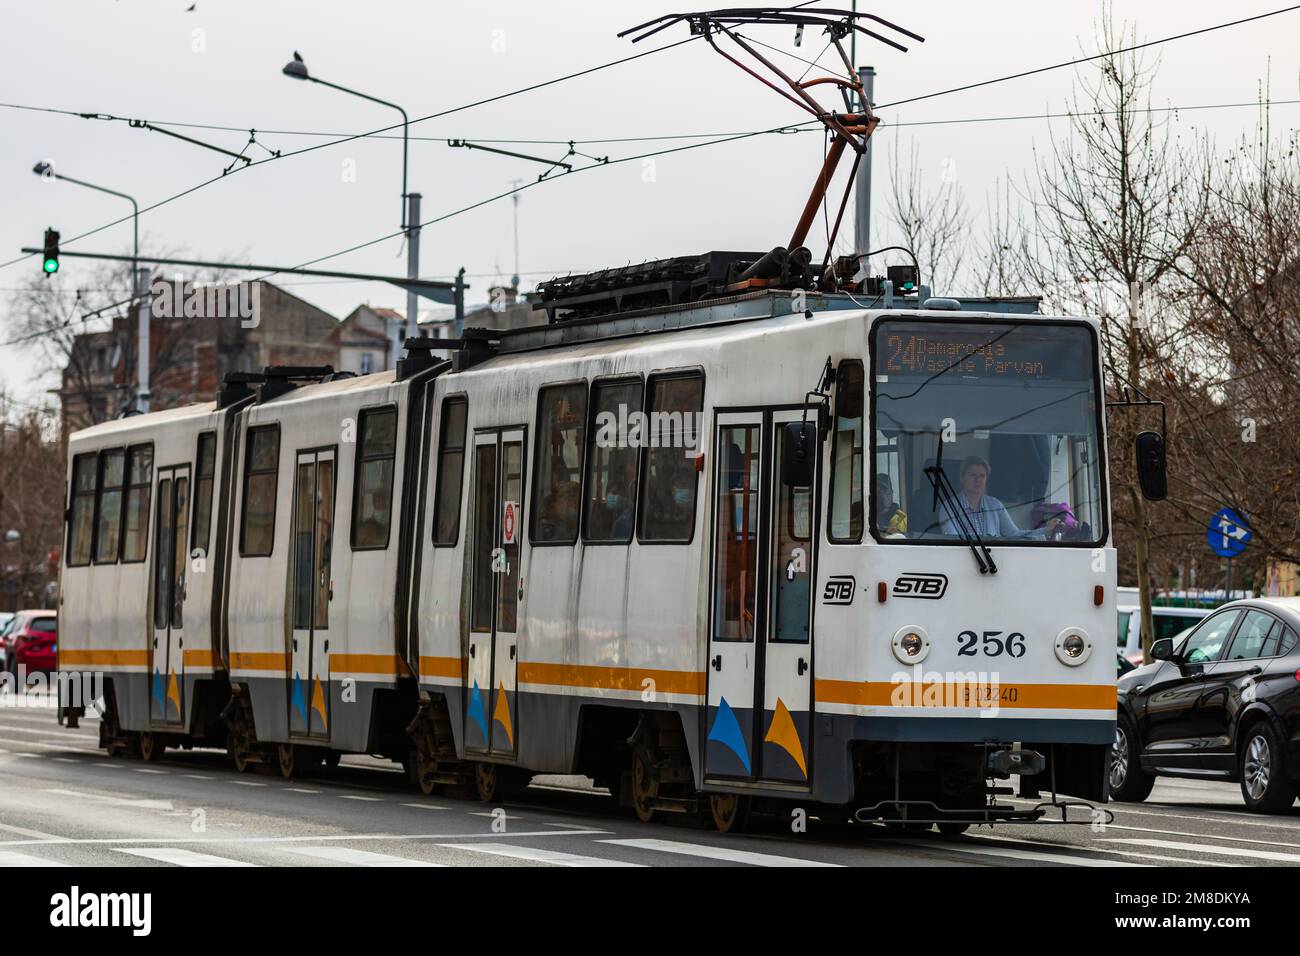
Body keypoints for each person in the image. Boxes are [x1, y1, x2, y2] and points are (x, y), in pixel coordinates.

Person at [940, 455, 1023, 538]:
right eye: (972, 475)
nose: (977, 480)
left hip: (990, 551)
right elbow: (952, 540)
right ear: (962, 478)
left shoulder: (995, 505)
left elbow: (1014, 534)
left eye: (982, 476)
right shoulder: (949, 506)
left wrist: (1035, 535)